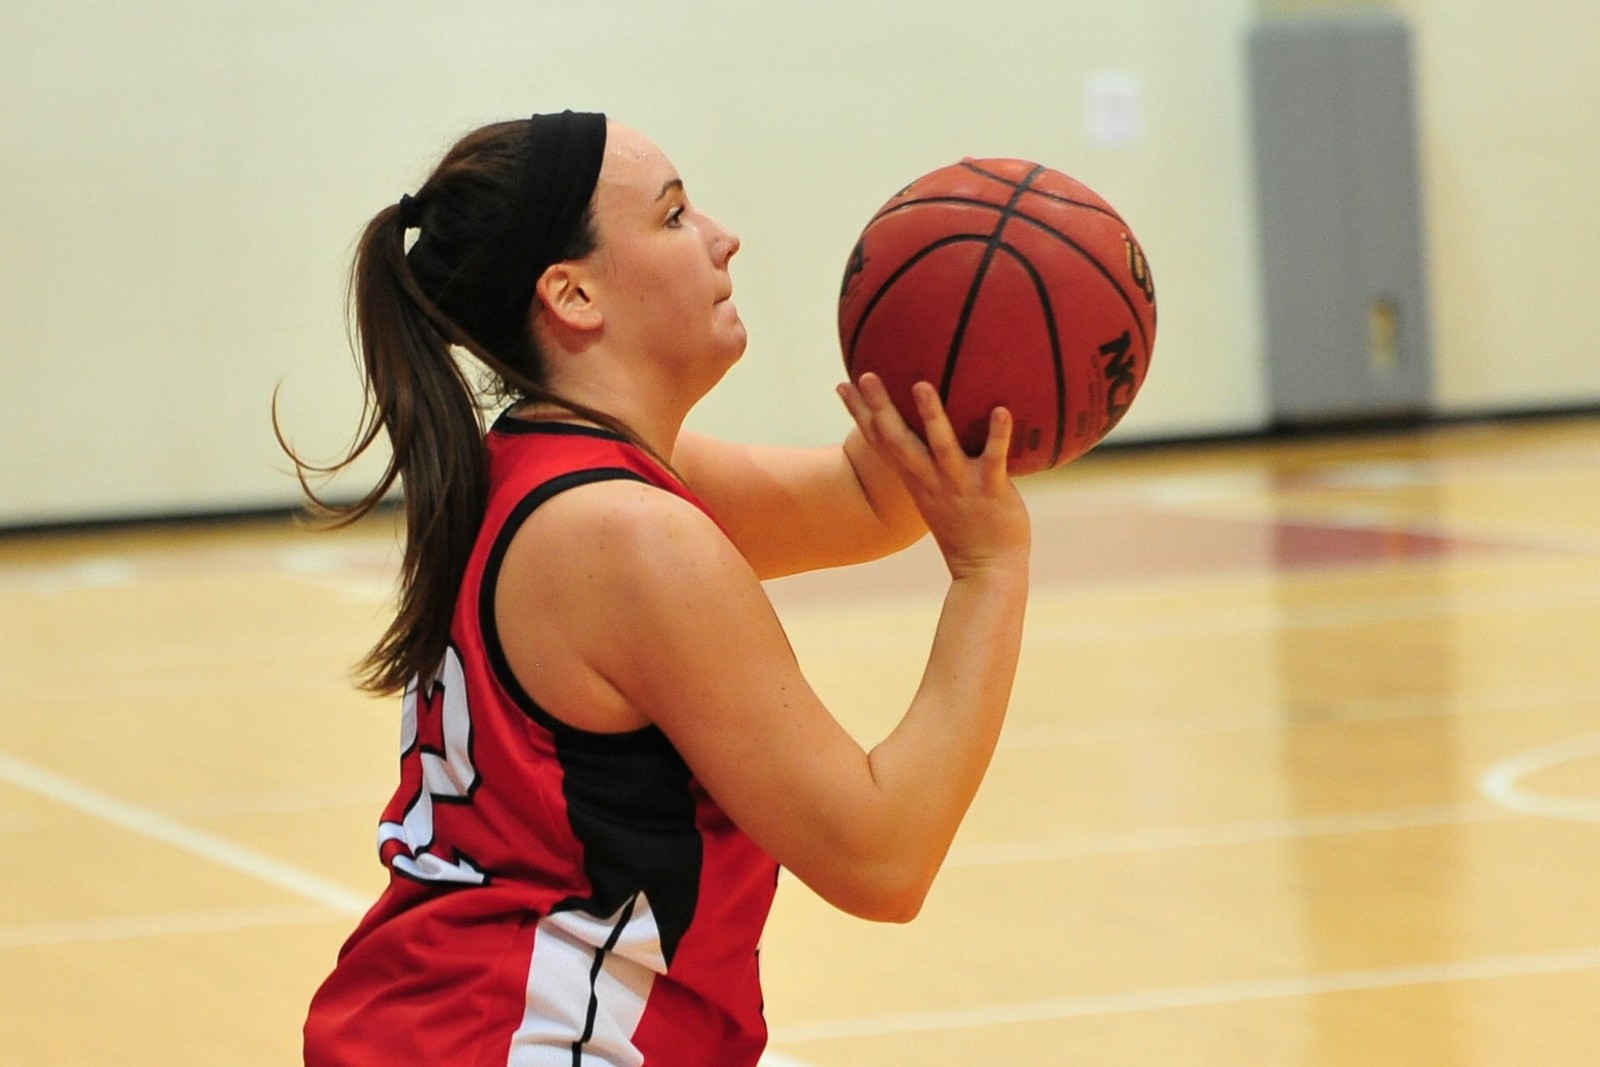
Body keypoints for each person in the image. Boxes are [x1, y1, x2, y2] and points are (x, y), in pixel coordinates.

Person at [288, 110, 1031, 1066]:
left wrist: (963, 335)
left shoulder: (544, 465)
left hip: (450, 1024)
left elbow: (863, 499)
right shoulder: (627, 538)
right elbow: (881, 856)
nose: (724, 236)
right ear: (575, 294)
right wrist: (990, 573)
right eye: (675, 215)